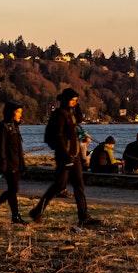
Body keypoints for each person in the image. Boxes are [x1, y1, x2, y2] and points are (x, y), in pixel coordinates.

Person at [29, 88, 100, 228]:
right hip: (65, 156)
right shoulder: (60, 115)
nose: (74, 103)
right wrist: (65, 154)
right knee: (60, 185)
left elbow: (79, 119)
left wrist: (77, 106)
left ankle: (83, 216)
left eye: (76, 101)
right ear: (66, 100)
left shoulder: (69, 114)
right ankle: (37, 211)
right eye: (72, 100)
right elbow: (59, 136)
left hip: (74, 155)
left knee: (78, 185)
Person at [0, 101, 27, 225]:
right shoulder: (3, 127)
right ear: (11, 113)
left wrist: (22, 164)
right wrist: (3, 164)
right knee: (13, 189)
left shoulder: (15, 126)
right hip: (9, 163)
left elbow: (18, 149)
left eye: (21, 112)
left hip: (16, 163)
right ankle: (10, 213)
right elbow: (2, 147)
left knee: (13, 189)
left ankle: (7, 213)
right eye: (17, 112)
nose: (20, 114)